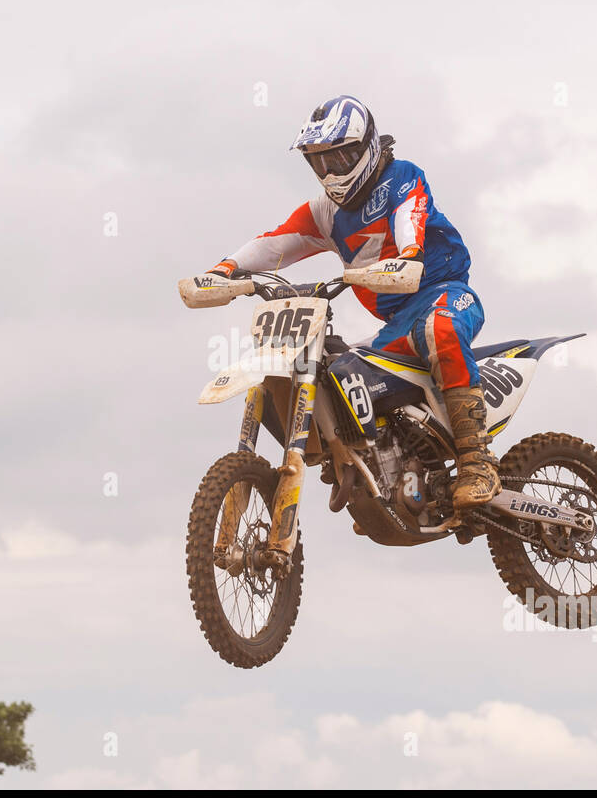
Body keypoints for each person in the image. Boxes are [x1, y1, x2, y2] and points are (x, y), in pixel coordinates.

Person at [203, 94, 500, 507]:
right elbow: (275, 244)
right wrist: (226, 268)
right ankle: (365, 465)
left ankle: (477, 463)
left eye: (338, 159)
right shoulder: (326, 212)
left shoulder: (402, 177)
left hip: (445, 296)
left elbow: (408, 216)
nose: (329, 172)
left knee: (440, 329)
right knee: (338, 368)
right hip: (395, 325)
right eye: (319, 162)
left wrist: (409, 255)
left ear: (366, 147)